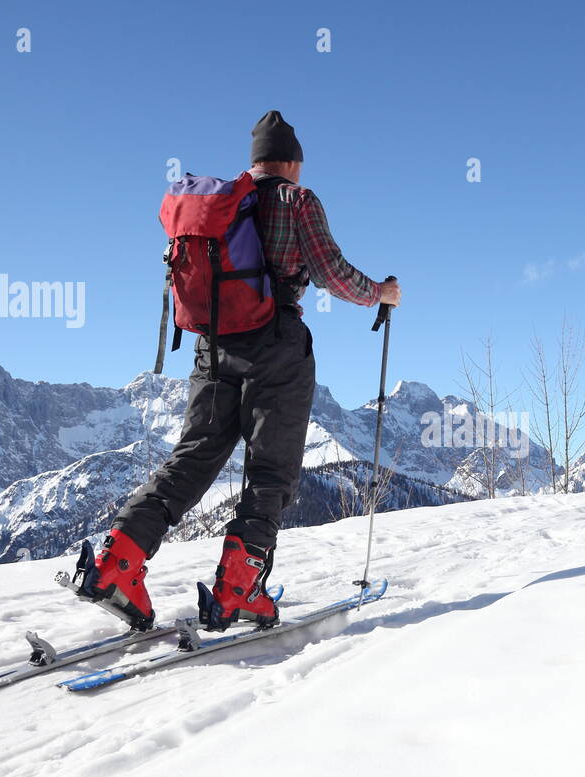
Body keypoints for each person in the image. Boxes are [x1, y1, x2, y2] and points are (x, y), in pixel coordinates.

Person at [79, 110, 401, 631]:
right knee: (270, 469)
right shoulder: (296, 199)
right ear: (293, 162)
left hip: (211, 347)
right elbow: (328, 271)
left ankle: (118, 564)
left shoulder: (222, 204)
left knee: (192, 459)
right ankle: (236, 591)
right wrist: (380, 294)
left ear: (253, 161)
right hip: (274, 345)